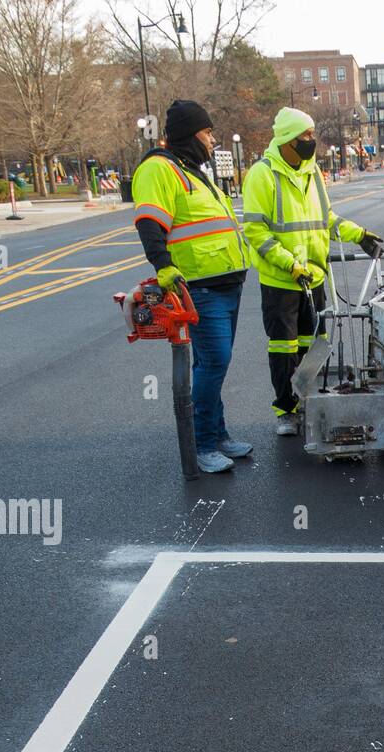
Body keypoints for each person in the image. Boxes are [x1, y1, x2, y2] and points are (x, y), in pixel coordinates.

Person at [241, 107, 383, 435]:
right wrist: (289, 264)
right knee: (284, 346)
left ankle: (311, 400)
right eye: (305, 135)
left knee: (314, 344)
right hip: (282, 281)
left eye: (311, 134)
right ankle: (286, 410)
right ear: (288, 139)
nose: (311, 140)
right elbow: (256, 232)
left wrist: (359, 235)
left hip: (314, 276)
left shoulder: (313, 172)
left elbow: (326, 220)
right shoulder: (262, 175)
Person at [131, 99, 251, 474]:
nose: (213, 140)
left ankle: (218, 434)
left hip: (226, 282)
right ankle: (203, 443)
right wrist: (163, 265)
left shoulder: (192, 170)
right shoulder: (159, 169)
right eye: (207, 132)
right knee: (215, 362)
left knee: (212, 364)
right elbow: (149, 221)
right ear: (188, 134)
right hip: (199, 285)